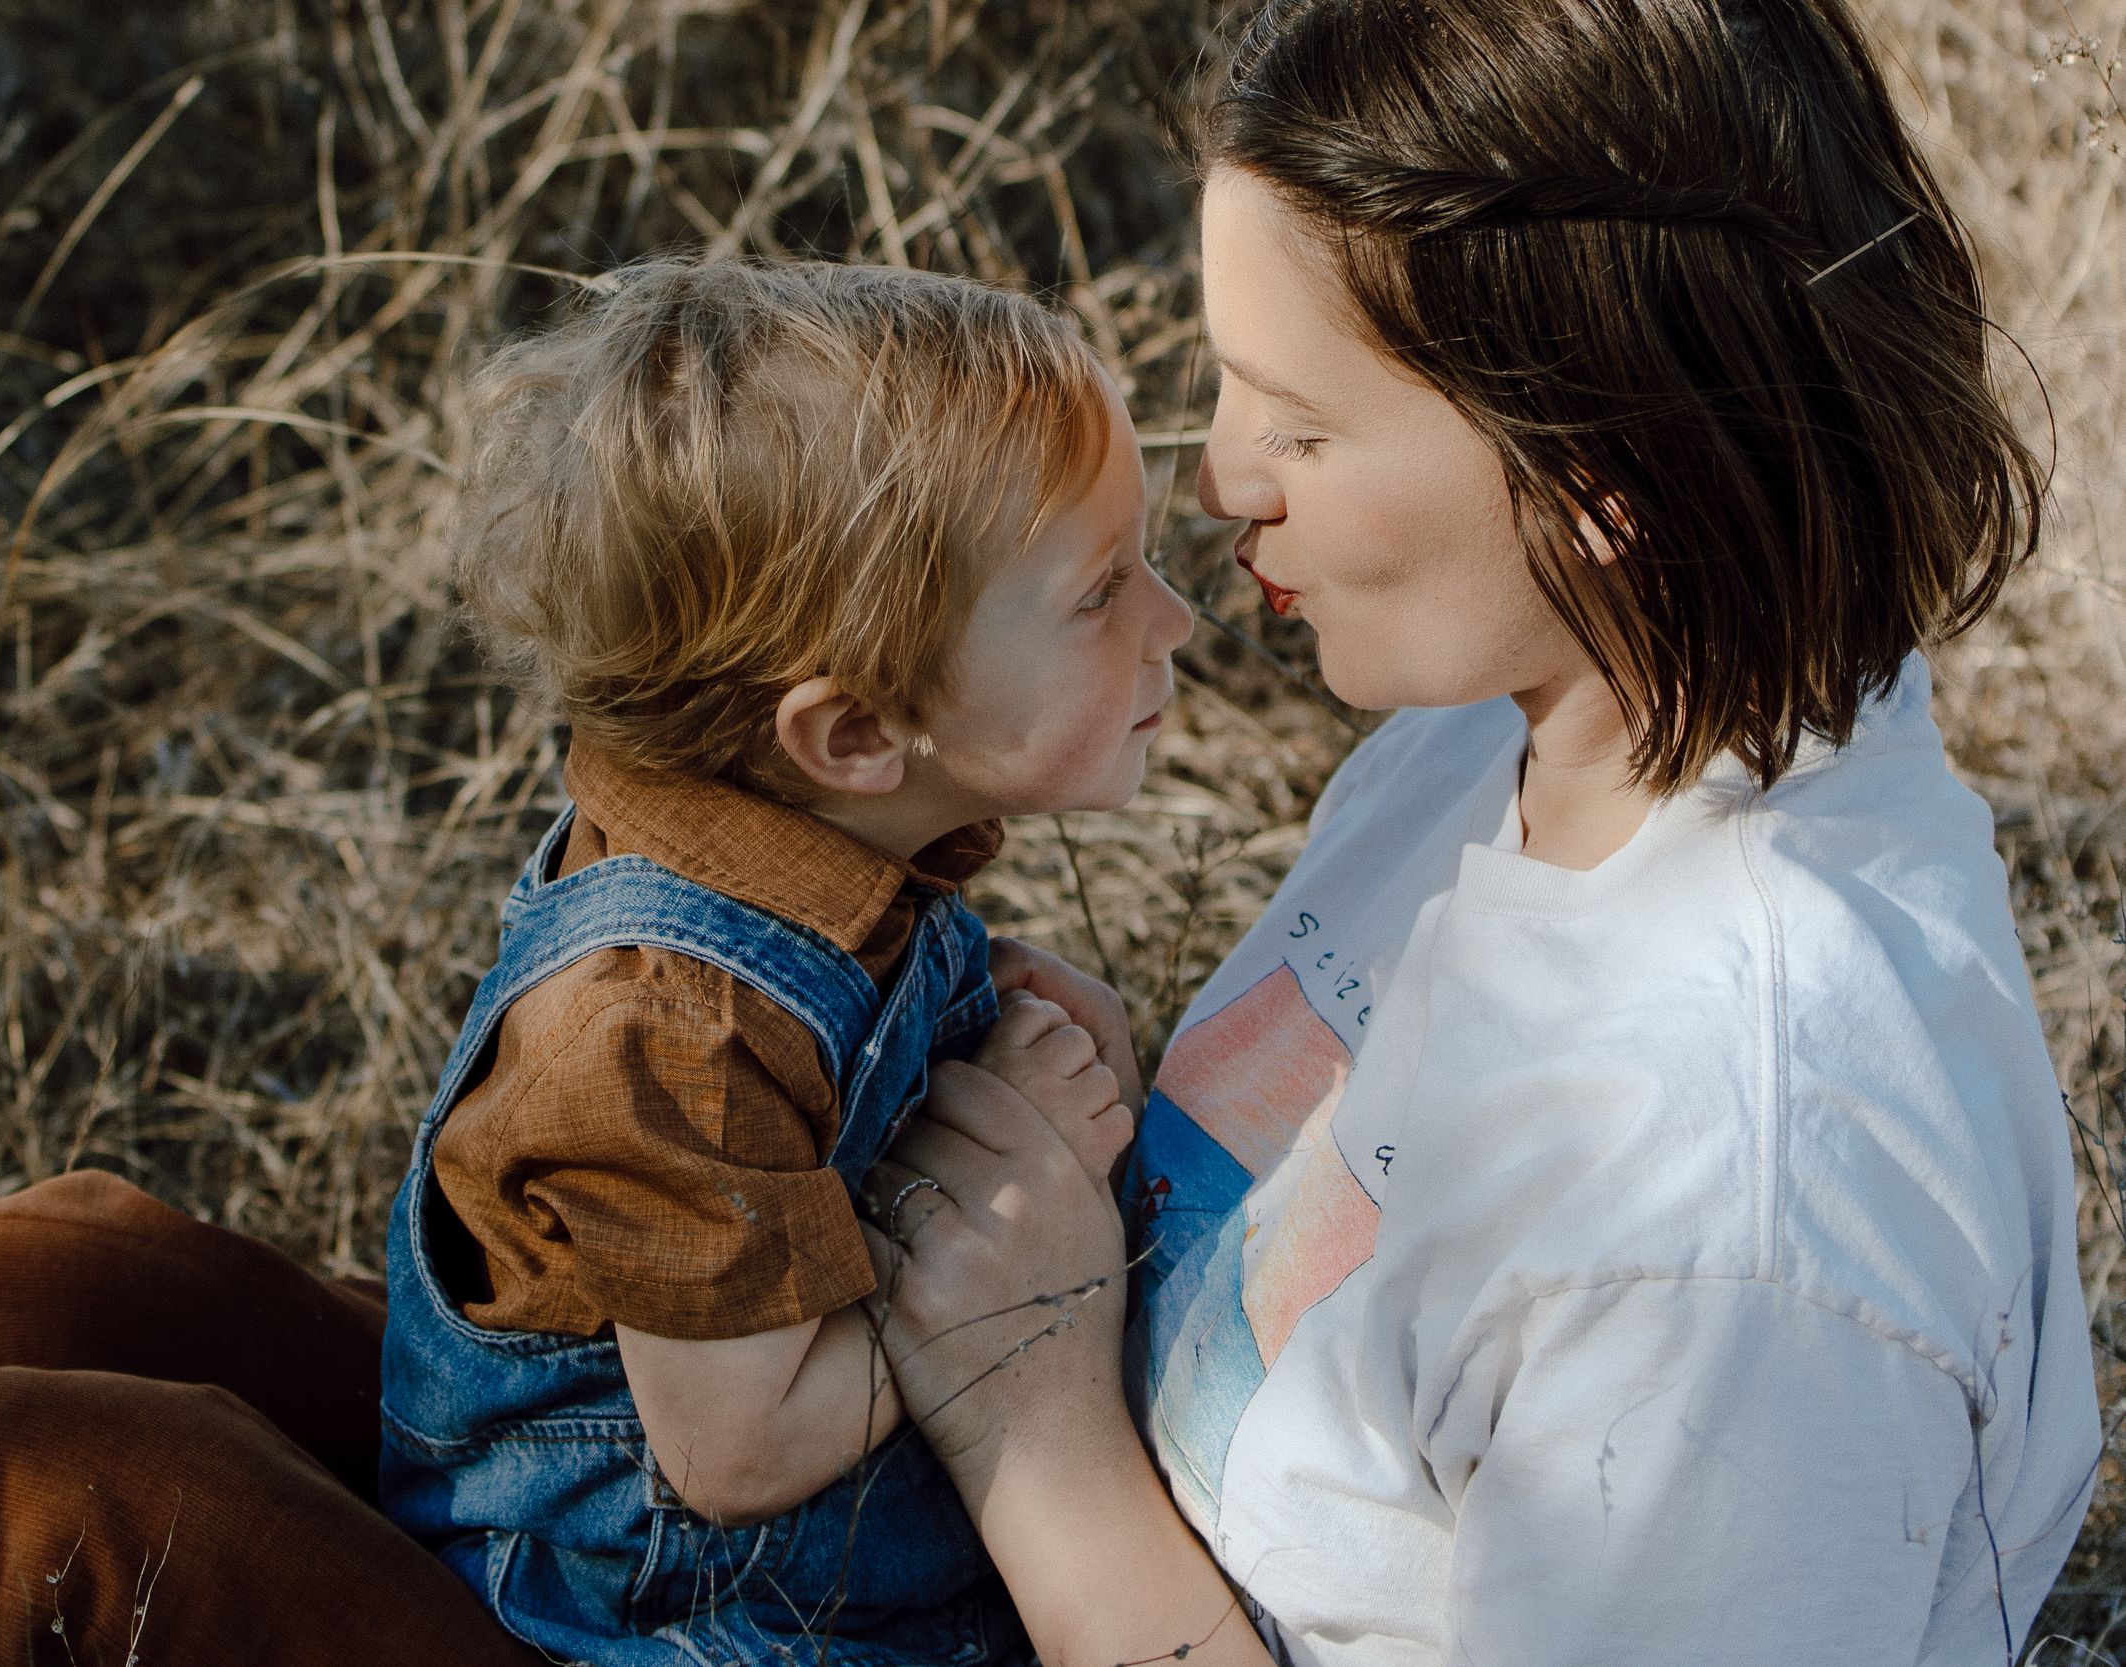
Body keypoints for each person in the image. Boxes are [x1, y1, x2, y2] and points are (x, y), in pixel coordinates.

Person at [850, 0, 2101, 1661]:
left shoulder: (1734, 1246)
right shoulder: (1507, 730)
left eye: (1300, 425)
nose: (1221, 482)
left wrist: (1030, 1415)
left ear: (1601, 474)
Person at [375, 258, 1177, 1665]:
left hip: (857, 1552)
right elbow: (738, 1455)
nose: (1175, 619)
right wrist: (1004, 1215)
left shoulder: (827, 835)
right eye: (1101, 592)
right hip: (691, 1614)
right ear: (856, 734)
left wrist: (992, 1021)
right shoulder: (659, 1032)